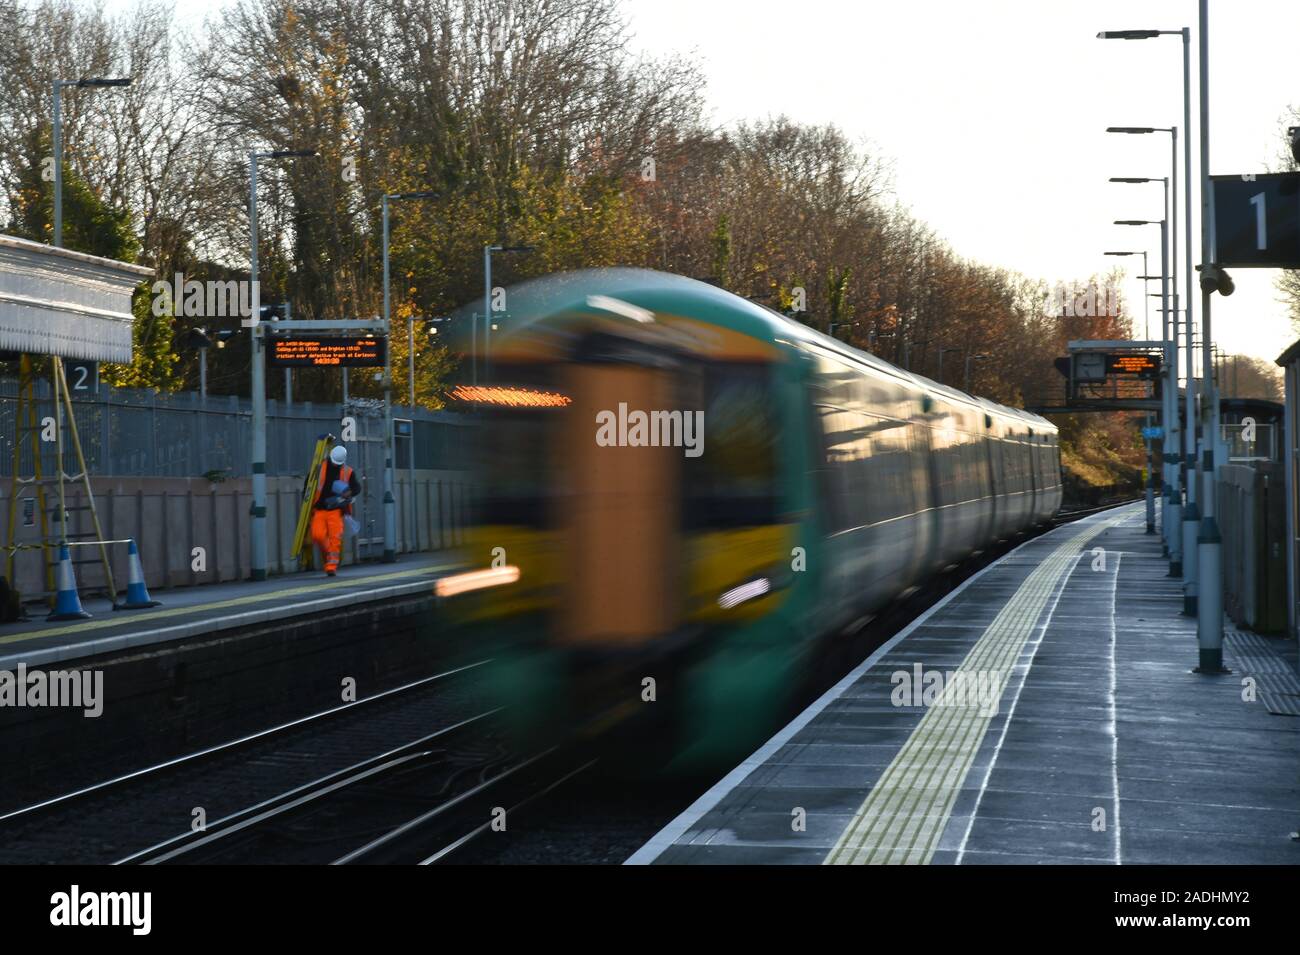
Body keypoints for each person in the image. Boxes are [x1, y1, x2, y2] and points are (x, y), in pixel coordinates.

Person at [310, 445, 361, 576]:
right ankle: (328, 554)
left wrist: (349, 492)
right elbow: (308, 485)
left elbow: (357, 488)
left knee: (335, 538)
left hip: (336, 510)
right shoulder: (319, 468)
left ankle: (331, 566)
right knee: (317, 535)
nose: (334, 464)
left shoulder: (348, 472)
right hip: (320, 508)